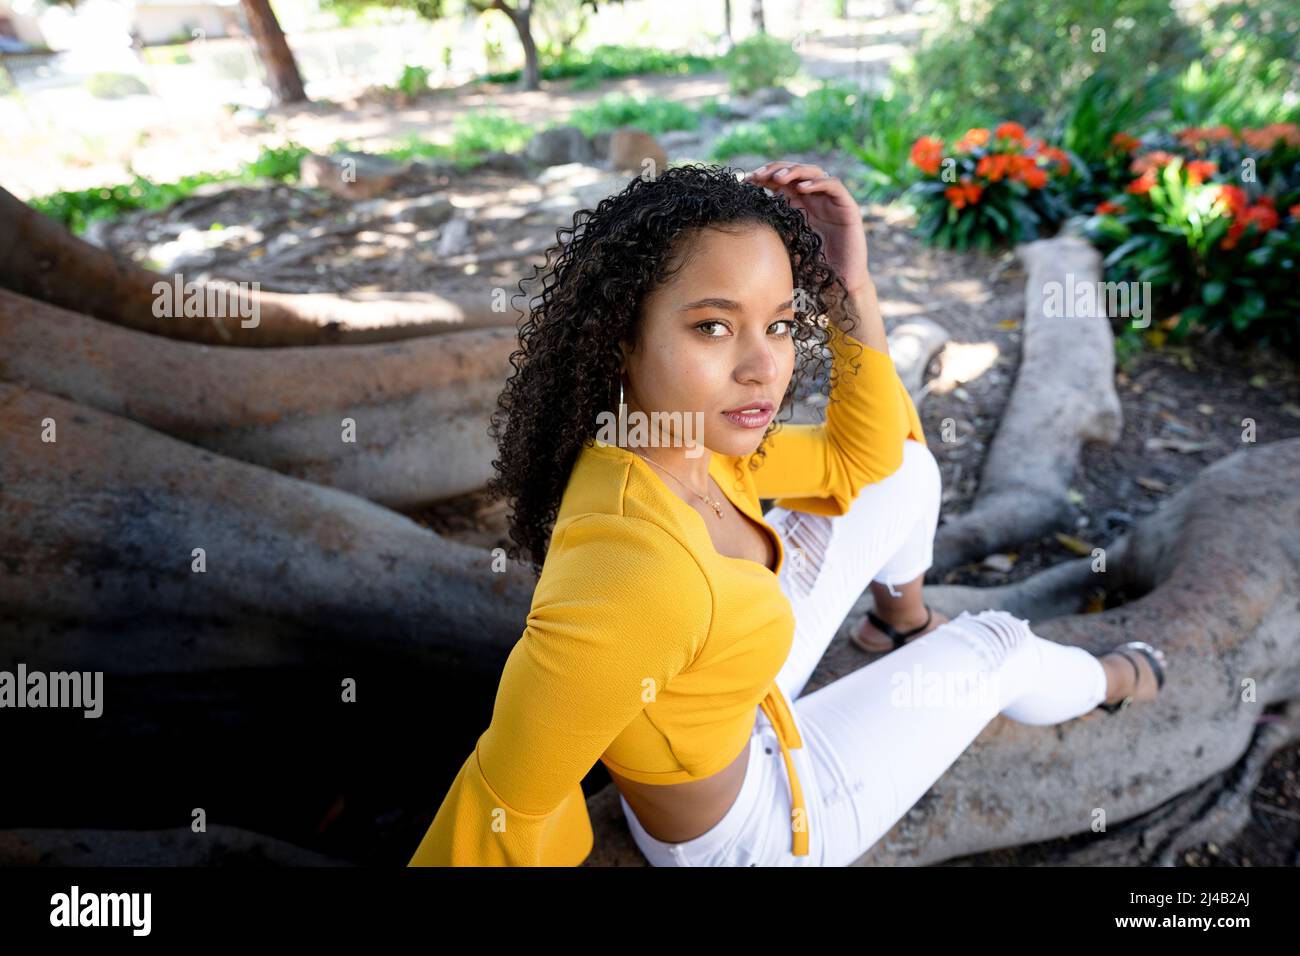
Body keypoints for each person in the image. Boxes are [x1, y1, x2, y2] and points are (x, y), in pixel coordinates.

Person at [407, 161, 1169, 867]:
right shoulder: (634, 576)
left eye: (777, 323)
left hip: (742, 693)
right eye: (712, 326)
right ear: (619, 342)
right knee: (996, 647)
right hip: (753, 831)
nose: (763, 366)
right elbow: (504, 804)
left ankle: (900, 622)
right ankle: (1123, 676)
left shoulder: (676, 438)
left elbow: (865, 457)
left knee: (904, 473)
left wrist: (848, 291)